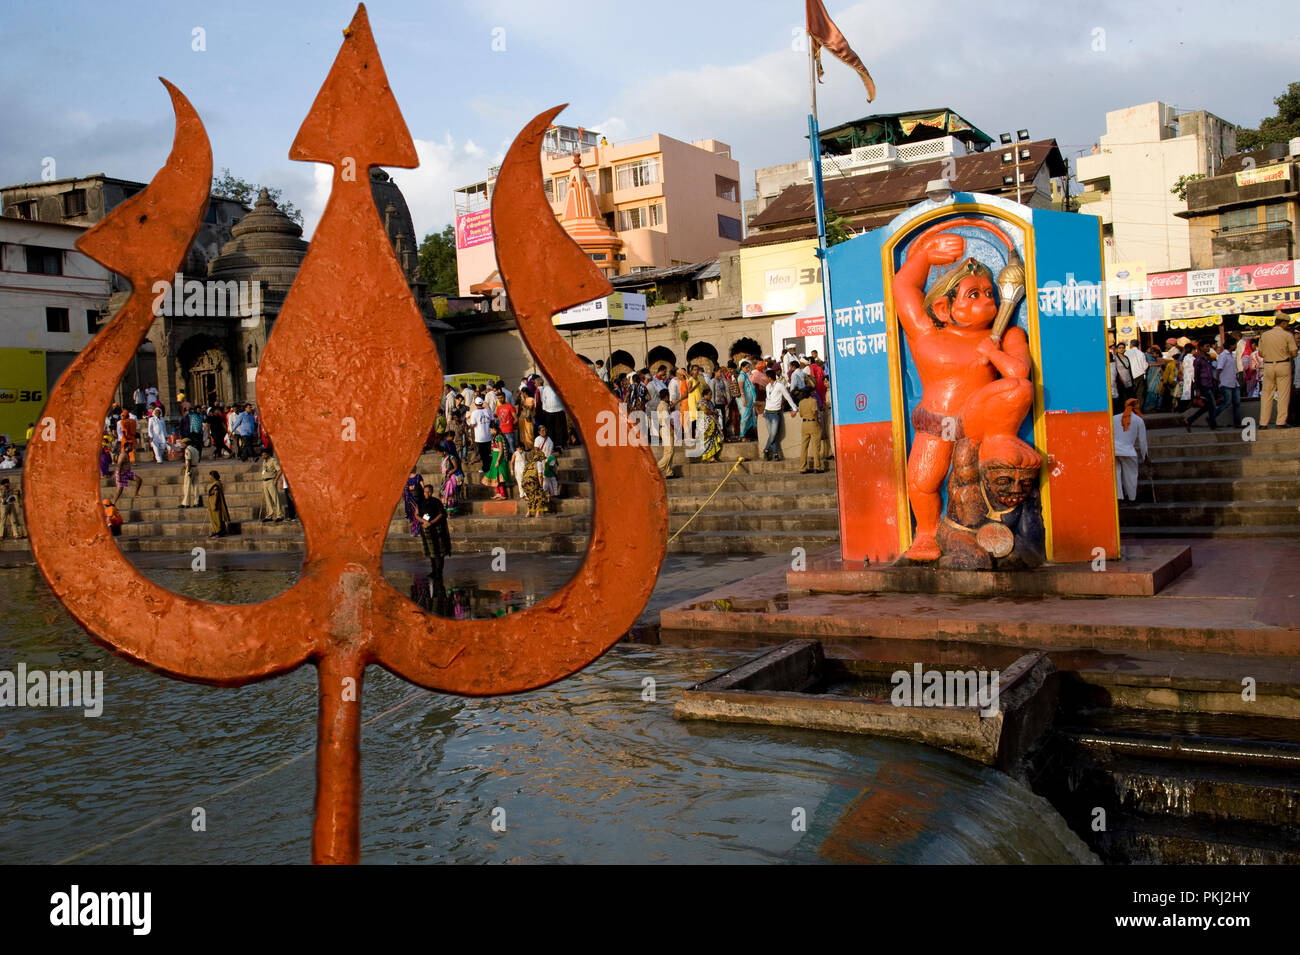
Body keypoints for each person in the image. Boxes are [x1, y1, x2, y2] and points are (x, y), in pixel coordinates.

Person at [1258, 312, 1298, 429]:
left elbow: (1260, 353)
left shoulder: (1265, 335)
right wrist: (1285, 354)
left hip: (1269, 366)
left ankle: (1263, 423)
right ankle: (1280, 422)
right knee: (1283, 395)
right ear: (1283, 323)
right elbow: (1294, 352)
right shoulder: (1287, 335)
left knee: (1266, 395)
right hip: (1283, 365)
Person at [1112, 398, 1148, 504]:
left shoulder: (1114, 418)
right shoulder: (1139, 420)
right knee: (1131, 475)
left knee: (1116, 474)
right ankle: (1132, 498)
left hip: (1114, 450)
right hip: (1128, 451)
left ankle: (1119, 498)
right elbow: (1142, 440)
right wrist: (1145, 456)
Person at [1181, 341, 1222, 431]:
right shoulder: (1198, 360)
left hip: (1210, 383)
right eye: (1206, 346)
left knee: (1208, 405)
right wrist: (1197, 388)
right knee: (1212, 404)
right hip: (1203, 384)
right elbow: (1196, 375)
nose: (1208, 348)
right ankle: (1213, 424)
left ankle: (1190, 420)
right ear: (1201, 348)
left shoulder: (1208, 358)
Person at [416, 483, 451, 582]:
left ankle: (439, 572)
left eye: (428, 492)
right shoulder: (421, 502)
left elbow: (441, 514)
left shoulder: (436, 502)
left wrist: (431, 522)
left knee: (439, 552)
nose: (426, 493)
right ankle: (433, 570)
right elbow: (416, 514)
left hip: (437, 529)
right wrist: (424, 522)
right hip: (426, 530)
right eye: (425, 491)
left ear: (432, 492)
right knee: (431, 552)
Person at [762, 368, 799, 460]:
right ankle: (775, 454)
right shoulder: (767, 387)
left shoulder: (779, 386)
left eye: (766, 377)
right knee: (772, 434)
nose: (765, 378)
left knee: (773, 434)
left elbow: (787, 397)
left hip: (775, 413)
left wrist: (794, 408)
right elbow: (768, 399)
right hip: (768, 412)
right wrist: (764, 411)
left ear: (770, 378)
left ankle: (766, 449)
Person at [1214, 337, 1242, 427]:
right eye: (1234, 344)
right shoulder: (1223, 355)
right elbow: (1219, 369)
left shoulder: (1232, 355)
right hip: (1226, 383)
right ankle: (1213, 415)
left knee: (1237, 403)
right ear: (1231, 345)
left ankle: (1237, 423)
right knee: (1227, 402)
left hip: (1233, 382)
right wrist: (1218, 381)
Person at [480, 421, 511, 500]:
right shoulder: (495, 436)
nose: (490, 431)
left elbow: (501, 450)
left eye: (490, 429)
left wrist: (497, 460)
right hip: (495, 457)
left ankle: (503, 494)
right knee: (494, 475)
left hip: (499, 458)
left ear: (494, 429)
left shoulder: (499, 437)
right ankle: (498, 493)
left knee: (499, 477)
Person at [797, 387, 825, 473]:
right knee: (815, 446)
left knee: (804, 447)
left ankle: (803, 467)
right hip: (813, 423)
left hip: (804, 424)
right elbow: (815, 413)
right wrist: (818, 423)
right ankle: (817, 467)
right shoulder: (813, 401)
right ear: (810, 393)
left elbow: (801, 414)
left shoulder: (801, 402)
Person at [521, 448, 550, 517]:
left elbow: (524, 474)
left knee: (531, 497)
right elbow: (540, 475)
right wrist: (541, 485)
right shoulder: (538, 463)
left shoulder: (528, 464)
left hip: (524, 482)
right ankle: (538, 514)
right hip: (532, 481)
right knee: (539, 495)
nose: (543, 460)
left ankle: (528, 513)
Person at [469, 396, 493, 472]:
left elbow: (472, 425)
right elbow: (492, 420)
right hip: (488, 435)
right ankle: (489, 467)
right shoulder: (488, 411)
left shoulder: (474, 413)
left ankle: (485, 468)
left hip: (480, 437)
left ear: (475, 405)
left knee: (483, 454)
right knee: (488, 453)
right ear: (482, 403)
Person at [260, 449, 285, 521]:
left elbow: (279, 470)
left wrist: (276, 480)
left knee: (275, 498)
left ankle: (279, 515)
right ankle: (270, 515)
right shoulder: (264, 462)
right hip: (265, 481)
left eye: (264, 455)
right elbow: (263, 472)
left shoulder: (273, 460)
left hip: (271, 481)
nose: (263, 456)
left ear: (268, 454)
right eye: (262, 455)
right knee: (267, 499)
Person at [206, 470, 231, 537]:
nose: (210, 478)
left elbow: (216, 494)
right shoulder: (216, 483)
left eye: (211, 476)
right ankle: (215, 531)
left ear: (213, 477)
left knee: (217, 517)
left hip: (215, 502)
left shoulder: (216, 484)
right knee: (214, 518)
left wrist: (214, 504)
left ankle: (219, 531)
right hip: (212, 502)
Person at [439, 447, 464, 516]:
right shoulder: (443, 459)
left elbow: (456, 467)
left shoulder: (451, 457)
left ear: (444, 452)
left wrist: (449, 473)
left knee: (450, 494)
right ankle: (447, 511)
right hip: (445, 478)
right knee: (443, 494)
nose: (439, 454)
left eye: (439, 453)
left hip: (452, 478)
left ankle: (451, 512)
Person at [737, 360, 757, 441]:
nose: (748, 369)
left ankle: (746, 434)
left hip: (749, 400)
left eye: (749, 367)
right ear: (742, 368)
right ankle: (742, 435)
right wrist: (744, 400)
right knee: (744, 418)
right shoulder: (741, 376)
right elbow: (741, 388)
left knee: (748, 417)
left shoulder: (745, 375)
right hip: (745, 401)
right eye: (746, 367)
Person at [698, 398, 723, 462]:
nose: (711, 396)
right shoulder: (702, 402)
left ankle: (712, 457)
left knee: (712, 440)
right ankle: (708, 457)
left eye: (711, 394)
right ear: (705, 395)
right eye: (709, 394)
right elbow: (705, 411)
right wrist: (714, 412)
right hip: (705, 424)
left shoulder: (710, 402)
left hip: (711, 423)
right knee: (708, 441)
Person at [402, 468, 424, 536]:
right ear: (416, 468)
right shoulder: (418, 476)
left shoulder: (406, 478)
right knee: (417, 515)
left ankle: (416, 531)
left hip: (410, 500)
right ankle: (417, 531)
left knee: (415, 516)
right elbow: (423, 487)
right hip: (415, 499)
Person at [180, 437, 201, 509]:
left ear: (186, 443)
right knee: (196, 486)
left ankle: (186, 503)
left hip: (190, 468)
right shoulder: (195, 449)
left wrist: (188, 470)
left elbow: (188, 460)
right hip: (196, 467)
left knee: (187, 486)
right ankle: (196, 502)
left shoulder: (187, 450)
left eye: (183, 443)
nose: (182, 445)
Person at [495, 390, 517, 455]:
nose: (500, 399)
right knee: (505, 449)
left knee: (512, 448)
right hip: (502, 431)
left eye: (501, 397)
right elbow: (499, 419)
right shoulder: (498, 408)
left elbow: (516, 419)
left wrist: (510, 425)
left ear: (505, 398)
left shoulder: (509, 406)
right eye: (499, 398)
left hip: (509, 431)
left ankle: (516, 462)